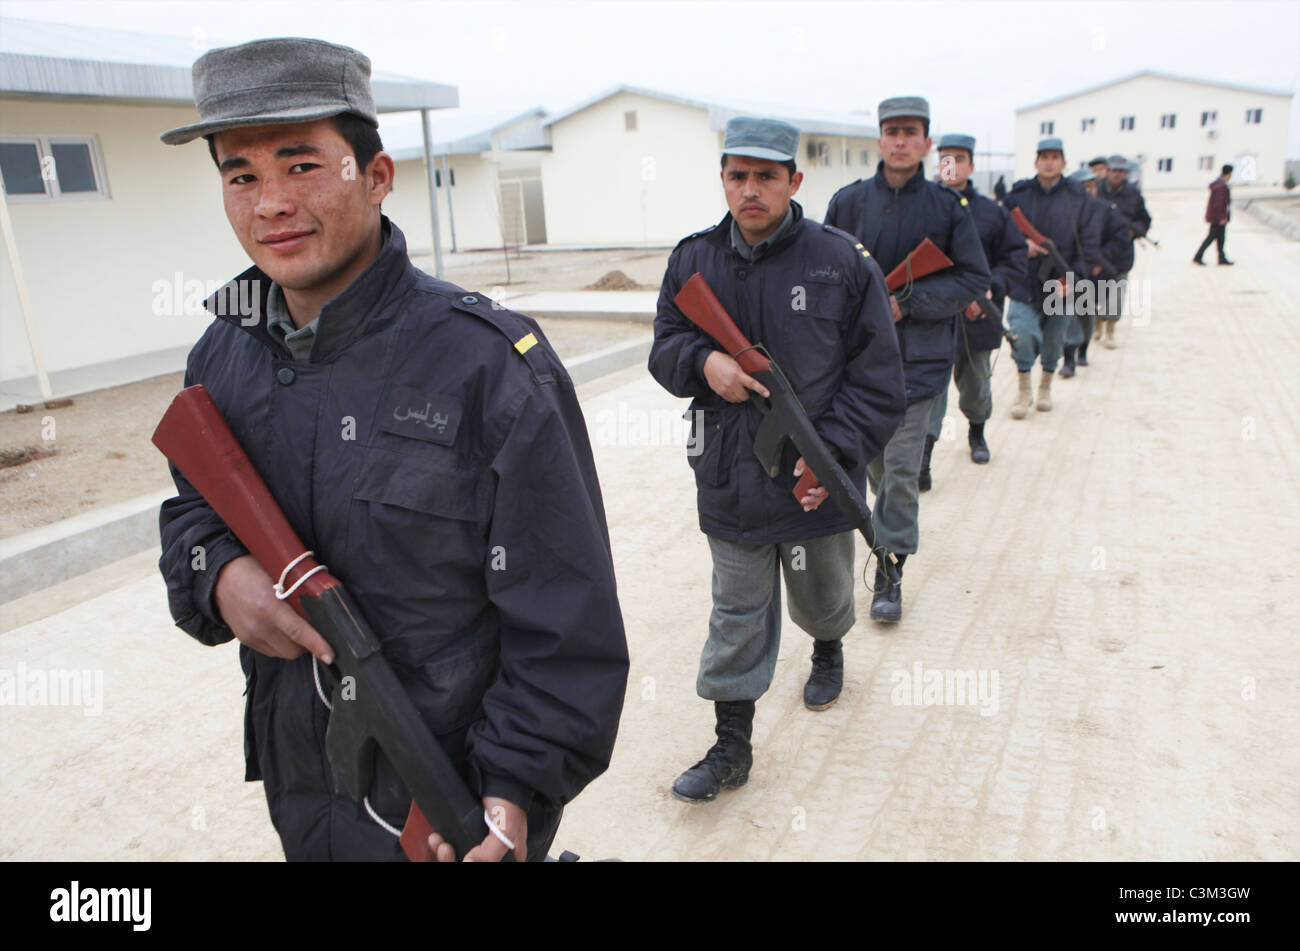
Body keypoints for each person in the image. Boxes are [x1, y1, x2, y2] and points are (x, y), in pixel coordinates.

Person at [156, 38, 629, 862]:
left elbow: (567, 618)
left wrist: (513, 791)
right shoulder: (220, 359)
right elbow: (191, 511)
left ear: (377, 176)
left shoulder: (489, 365)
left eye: (302, 165)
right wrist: (216, 574)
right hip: (301, 782)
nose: (270, 203)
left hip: (451, 793)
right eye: (241, 175)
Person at [649, 116, 905, 803]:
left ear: (795, 181)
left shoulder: (843, 261)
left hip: (814, 479)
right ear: (724, 181)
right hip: (730, 476)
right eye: (738, 175)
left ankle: (826, 646)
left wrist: (835, 456)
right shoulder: (693, 260)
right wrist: (706, 362)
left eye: (767, 176)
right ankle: (731, 744)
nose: (751, 190)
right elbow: (664, 345)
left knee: (823, 598)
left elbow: (880, 379)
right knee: (736, 613)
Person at [824, 97, 989, 621]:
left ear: (927, 142)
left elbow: (972, 278)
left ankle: (890, 569)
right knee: (873, 470)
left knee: (898, 473)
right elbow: (822, 271)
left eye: (910, 132)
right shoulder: (847, 203)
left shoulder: (947, 209)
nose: (900, 140)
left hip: (918, 366)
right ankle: (885, 533)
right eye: (891, 131)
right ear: (879, 139)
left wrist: (907, 302)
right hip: (855, 366)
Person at [921, 134, 1027, 485]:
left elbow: (1013, 257)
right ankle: (922, 456)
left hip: (977, 315)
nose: (951, 166)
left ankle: (976, 432)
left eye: (959, 159)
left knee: (976, 383)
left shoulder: (991, 213)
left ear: (971, 165)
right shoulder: (922, 206)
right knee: (928, 391)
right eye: (945, 159)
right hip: (929, 317)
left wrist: (990, 289)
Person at [1002, 137, 1102, 415]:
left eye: (1055, 157)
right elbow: (1002, 235)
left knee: (1054, 338)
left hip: (1062, 283)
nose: (1049, 162)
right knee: (1021, 334)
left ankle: (1045, 386)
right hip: (1025, 281)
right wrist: (1023, 248)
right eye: (1044, 157)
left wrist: (1074, 280)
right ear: (1035, 162)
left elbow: (1090, 245)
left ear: (1064, 163)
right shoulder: (1019, 195)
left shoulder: (1079, 198)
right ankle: (1024, 391)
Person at [1061, 168, 1134, 375]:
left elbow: (1120, 239)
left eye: (1092, 186)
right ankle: (1068, 360)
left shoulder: (1107, 210)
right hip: (1068, 272)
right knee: (1067, 315)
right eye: (1083, 187)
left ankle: (1082, 351)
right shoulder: (1064, 212)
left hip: (1095, 273)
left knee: (1086, 314)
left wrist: (1100, 259)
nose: (1088, 190)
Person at [1092, 154, 1150, 348]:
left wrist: (1135, 230)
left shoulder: (1133, 193)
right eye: (1114, 170)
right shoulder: (1096, 190)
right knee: (1096, 292)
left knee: (1117, 292)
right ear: (1107, 171)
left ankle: (1110, 330)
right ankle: (1097, 322)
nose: (1117, 174)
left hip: (1122, 252)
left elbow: (1144, 219)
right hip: (1098, 249)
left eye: (1121, 171)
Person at [1194, 164, 1234, 266]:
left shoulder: (1220, 184)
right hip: (1218, 218)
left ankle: (1221, 258)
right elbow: (1219, 204)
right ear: (1229, 174)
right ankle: (1198, 256)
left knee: (1221, 238)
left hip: (1217, 217)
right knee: (1212, 237)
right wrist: (1222, 217)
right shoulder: (1221, 187)